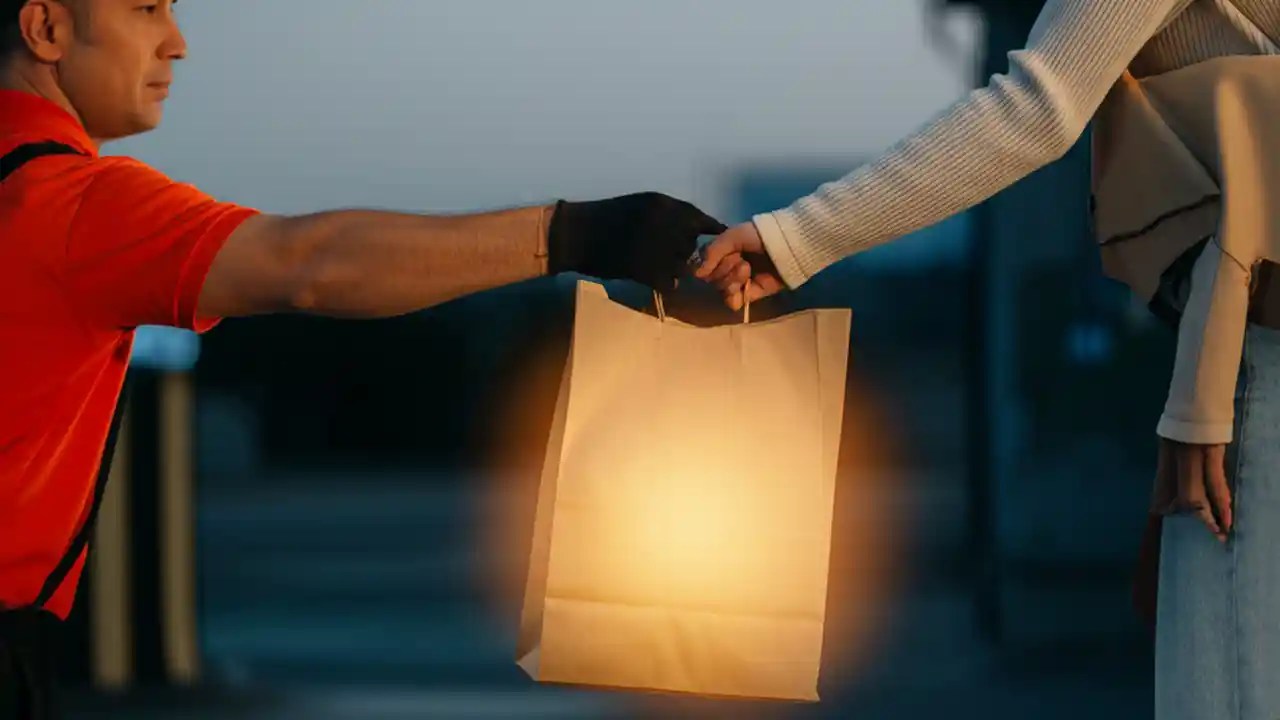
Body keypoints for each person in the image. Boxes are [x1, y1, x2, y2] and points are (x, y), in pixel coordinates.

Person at [0, 0, 724, 716]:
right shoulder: (64, 202)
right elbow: (310, 263)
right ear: (48, 29)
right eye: (145, 8)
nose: (176, 43)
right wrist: (575, 235)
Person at [696, 0, 1279, 718]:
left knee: (1233, 687)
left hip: (1257, 353)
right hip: (1237, 336)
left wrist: (797, 238)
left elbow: (1038, 108)